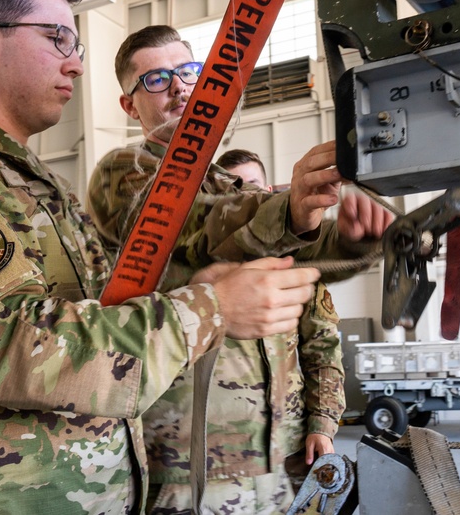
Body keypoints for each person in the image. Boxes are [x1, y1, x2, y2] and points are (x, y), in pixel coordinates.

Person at [0, 0, 319, 515]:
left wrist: (210, 283)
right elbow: (13, 347)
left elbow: (100, 310)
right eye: (56, 39)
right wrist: (209, 309)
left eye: (77, 47)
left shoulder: (38, 187)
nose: (74, 65)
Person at [86, 25, 393, 514]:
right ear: (130, 105)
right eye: (156, 80)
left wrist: (352, 239)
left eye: (189, 72)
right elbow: (201, 227)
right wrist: (290, 211)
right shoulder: (122, 174)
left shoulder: (227, 185)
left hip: (281, 458)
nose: (180, 88)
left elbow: (292, 267)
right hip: (188, 468)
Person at [215, 148, 345, 490]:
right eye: (235, 189)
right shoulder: (204, 261)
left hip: (290, 445)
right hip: (218, 455)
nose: (246, 196)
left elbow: (323, 348)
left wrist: (322, 423)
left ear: (269, 192)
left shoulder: (298, 263)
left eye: (253, 187)